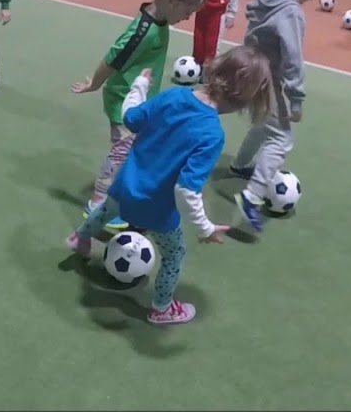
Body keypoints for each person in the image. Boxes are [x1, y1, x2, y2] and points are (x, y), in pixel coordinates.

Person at [67, 46, 274, 325]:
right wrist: (205, 227)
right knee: (174, 254)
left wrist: (140, 86)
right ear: (244, 99)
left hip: (124, 184)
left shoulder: (175, 95)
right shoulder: (211, 133)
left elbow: (131, 118)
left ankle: (80, 239)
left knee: (105, 210)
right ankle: (161, 308)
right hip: (156, 209)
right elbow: (186, 189)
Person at [72, 0, 205, 231]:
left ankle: (121, 198)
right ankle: (97, 202)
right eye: (188, 11)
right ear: (170, 0)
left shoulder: (160, 17)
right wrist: (95, 84)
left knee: (135, 151)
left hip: (140, 99)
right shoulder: (144, 31)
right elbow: (113, 57)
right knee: (121, 152)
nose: (188, 18)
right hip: (123, 99)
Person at [228, 0, 327, 233]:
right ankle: (252, 195)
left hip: (246, 69)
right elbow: (293, 57)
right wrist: (296, 99)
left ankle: (239, 166)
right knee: (282, 138)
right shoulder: (291, 12)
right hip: (265, 78)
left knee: (262, 125)